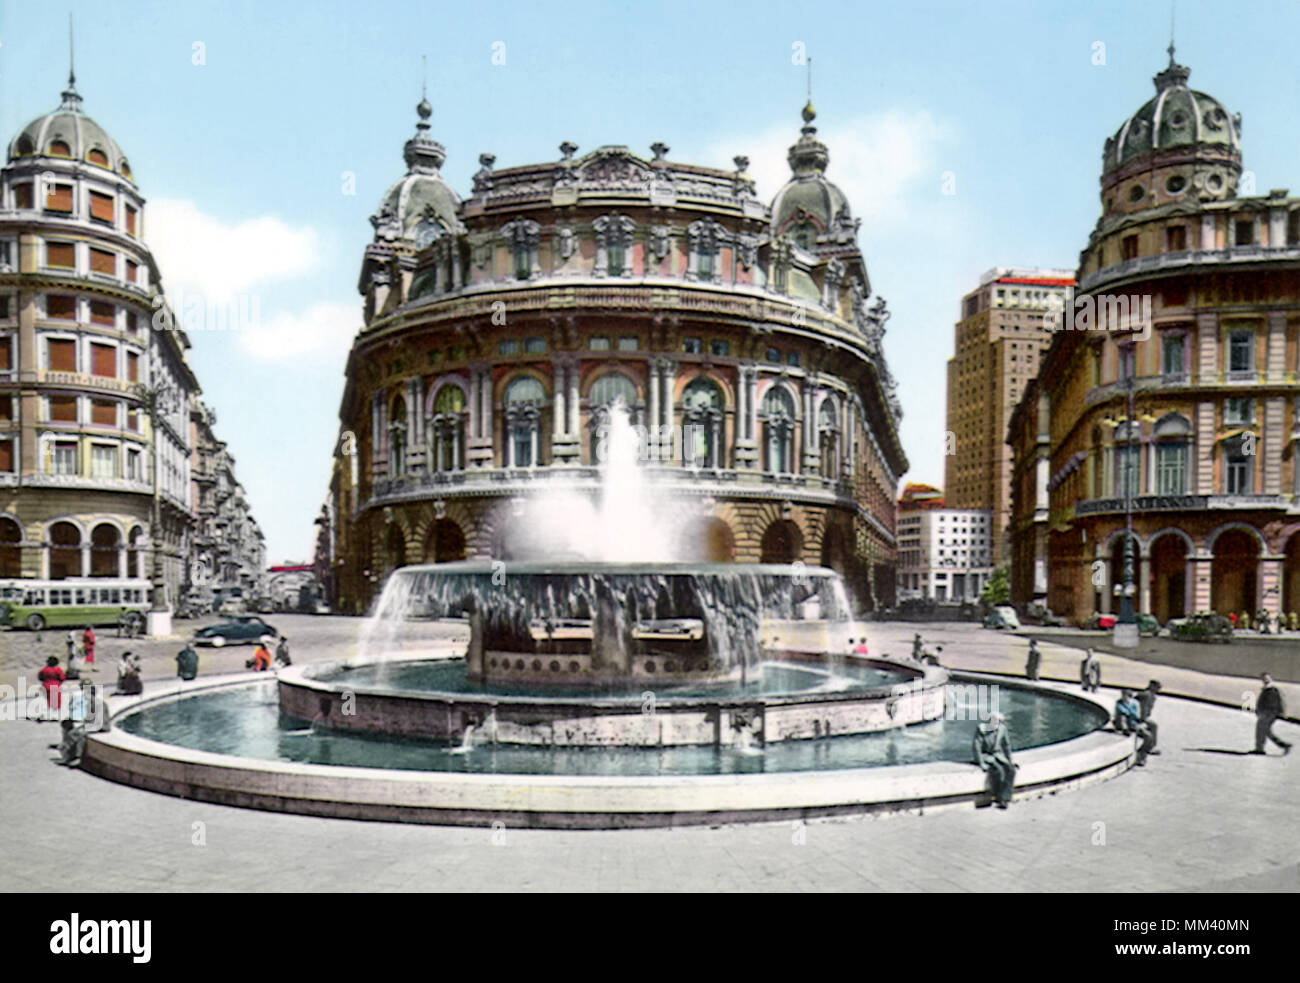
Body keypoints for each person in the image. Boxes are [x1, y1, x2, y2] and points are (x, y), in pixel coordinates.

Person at [972, 710, 1016, 809]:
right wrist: (981, 763)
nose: (996, 723)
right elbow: (976, 747)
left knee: (1011, 770)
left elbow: (1006, 746)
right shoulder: (982, 729)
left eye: (998, 721)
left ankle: (1006, 797)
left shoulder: (1002, 729)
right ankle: (1000, 798)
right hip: (986, 756)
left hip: (998, 755)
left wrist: (1010, 760)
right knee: (998, 771)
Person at [1253, 672, 1292, 755]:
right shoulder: (1266, 689)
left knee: (1261, 729)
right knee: (1266, 731)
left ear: (1270, 679)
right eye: (1263, 679)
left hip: (1269, 714)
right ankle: (1283, 745)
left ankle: (1260, 749)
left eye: (1267, 678)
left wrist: (1282, 712)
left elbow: (1281, 701)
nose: (1265, 680)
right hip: (1265, 713)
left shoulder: (1273, 689)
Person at [1136, 680, 1161, 756]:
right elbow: (1142, 708)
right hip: (1138, 718)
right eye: (1157, 687)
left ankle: (1151, 746)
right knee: (1153, 726)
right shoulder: (1146, 695)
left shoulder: (1151, 696)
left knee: (1154, 725)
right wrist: (1143, 719)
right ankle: (1149, 747)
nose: (1158, 689)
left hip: (1143, 717)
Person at [36, 656, 65, 721]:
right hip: (55, 686)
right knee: (56, 701)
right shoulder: (58, 669)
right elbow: (62, 677)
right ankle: (54, 716)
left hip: (46, 686)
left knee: (48, 700)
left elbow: (40, 677)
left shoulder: (44, 669)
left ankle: (46, 714)